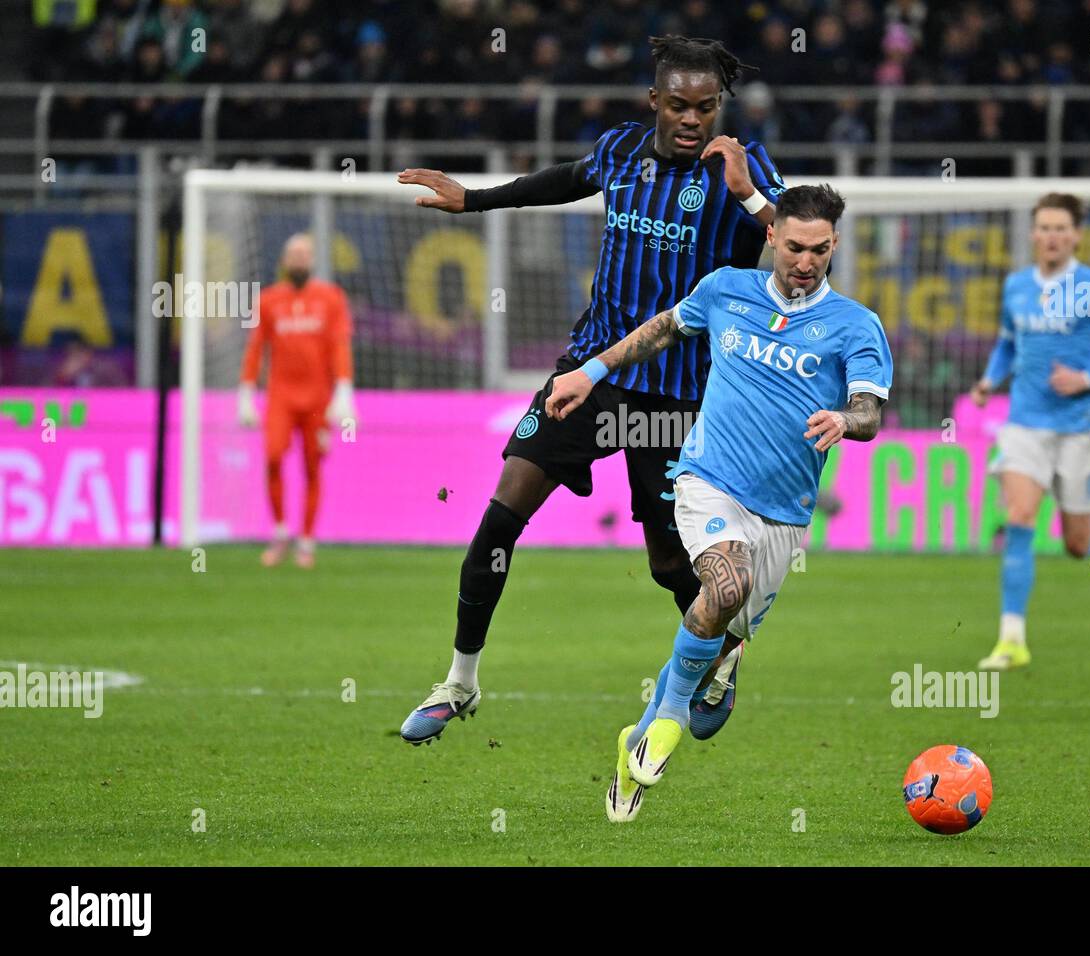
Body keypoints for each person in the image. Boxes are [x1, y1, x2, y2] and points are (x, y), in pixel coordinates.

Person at [396, 36, 788, 746]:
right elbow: (564, 179)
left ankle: (724, 651)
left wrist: (749, 195)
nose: (693, 118)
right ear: (654, 102)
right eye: (679, 105)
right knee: (501, 514)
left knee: (670, 562)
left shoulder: (743, 167)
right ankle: (459, 681)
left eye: (706, 106)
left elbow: (802, 250)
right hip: (591, 374)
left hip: (679, 395)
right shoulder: (620, 151)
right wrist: (476, 199)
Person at [544, 184, 892, 822]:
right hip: (708, 478)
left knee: (720, 635)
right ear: (771, 237)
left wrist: (847, 418)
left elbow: (871, 410)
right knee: (723, 586)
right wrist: (589, 373)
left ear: (834, 245)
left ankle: (641, 736)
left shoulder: (856, 326)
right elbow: (661, 330)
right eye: (794, 247)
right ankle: (670, 719)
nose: (805, 261)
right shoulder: (726, 289)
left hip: (784, 515)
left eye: (818, 249)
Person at [969, 192, 1090, 671]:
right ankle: (1011, 639)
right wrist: (989, 380)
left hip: (1080, 427)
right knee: (1020, 518)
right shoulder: (1017, 286)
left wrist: (1085, 378)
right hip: (1024, 424)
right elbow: (1007, 344)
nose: (1051, 236)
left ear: (1076, 235)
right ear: (1032, 234)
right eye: (1043, 227)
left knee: (1078, 545)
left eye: (1060, 228)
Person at [238, 233, 355, 569]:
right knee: (273, 457)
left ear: (313, 260)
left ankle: (306, 540)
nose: (299, 260)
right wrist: (246, 393)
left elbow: (339, 346)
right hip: (281, 397)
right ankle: (279, 533)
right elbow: (255, 348)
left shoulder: (331, 298)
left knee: (312, 467)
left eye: (304, 254)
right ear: (284, 261)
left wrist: (344, 391)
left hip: (318, 399)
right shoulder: (268, 300)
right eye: (293, 254)